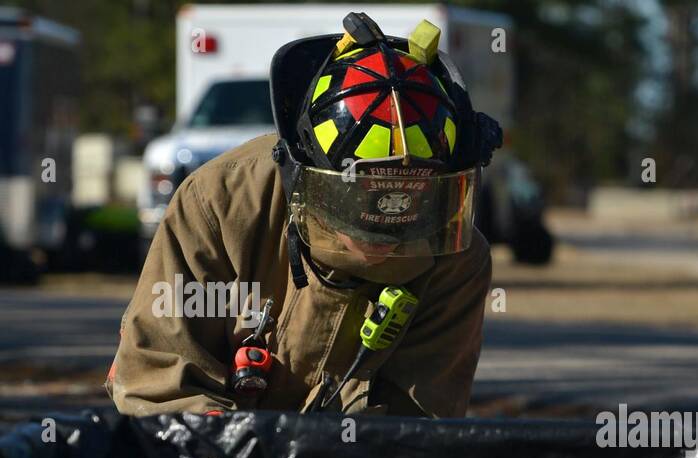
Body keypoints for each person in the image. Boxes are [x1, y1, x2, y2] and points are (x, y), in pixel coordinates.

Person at [107, 13, 502, 416]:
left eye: (408, 204)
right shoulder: (221, 205)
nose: (382, 232)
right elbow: (160, 386)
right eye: (357, 203)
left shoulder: (456, 263)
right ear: (304, 178)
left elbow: (412, 435)